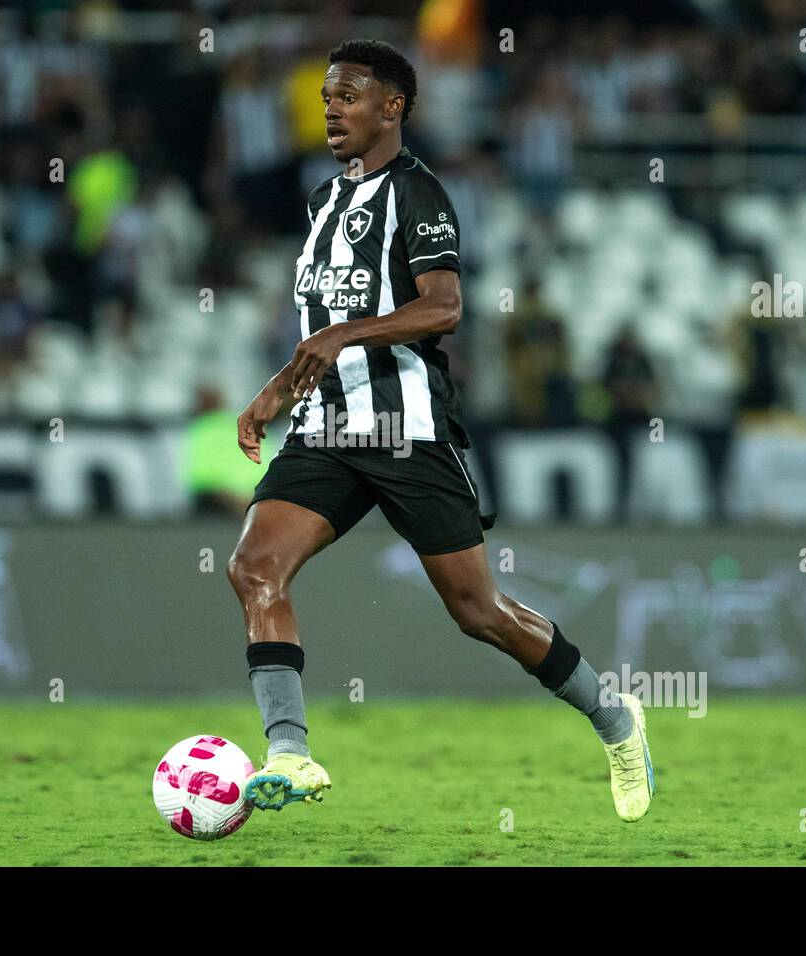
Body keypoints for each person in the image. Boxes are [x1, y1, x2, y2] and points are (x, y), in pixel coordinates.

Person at [226, 39, 655, 823]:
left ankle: (613, 716)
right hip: (327, 428)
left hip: (406, 429)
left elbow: (444, 307)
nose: (331, 109)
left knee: (479, 613)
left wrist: (342, 337)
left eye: (349, 95)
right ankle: (289, 752)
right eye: (326, 97)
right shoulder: (323, 203)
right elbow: (321, 328)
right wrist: (275, 393)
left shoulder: (419, 195)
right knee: (255, 567)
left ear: (393, 107)